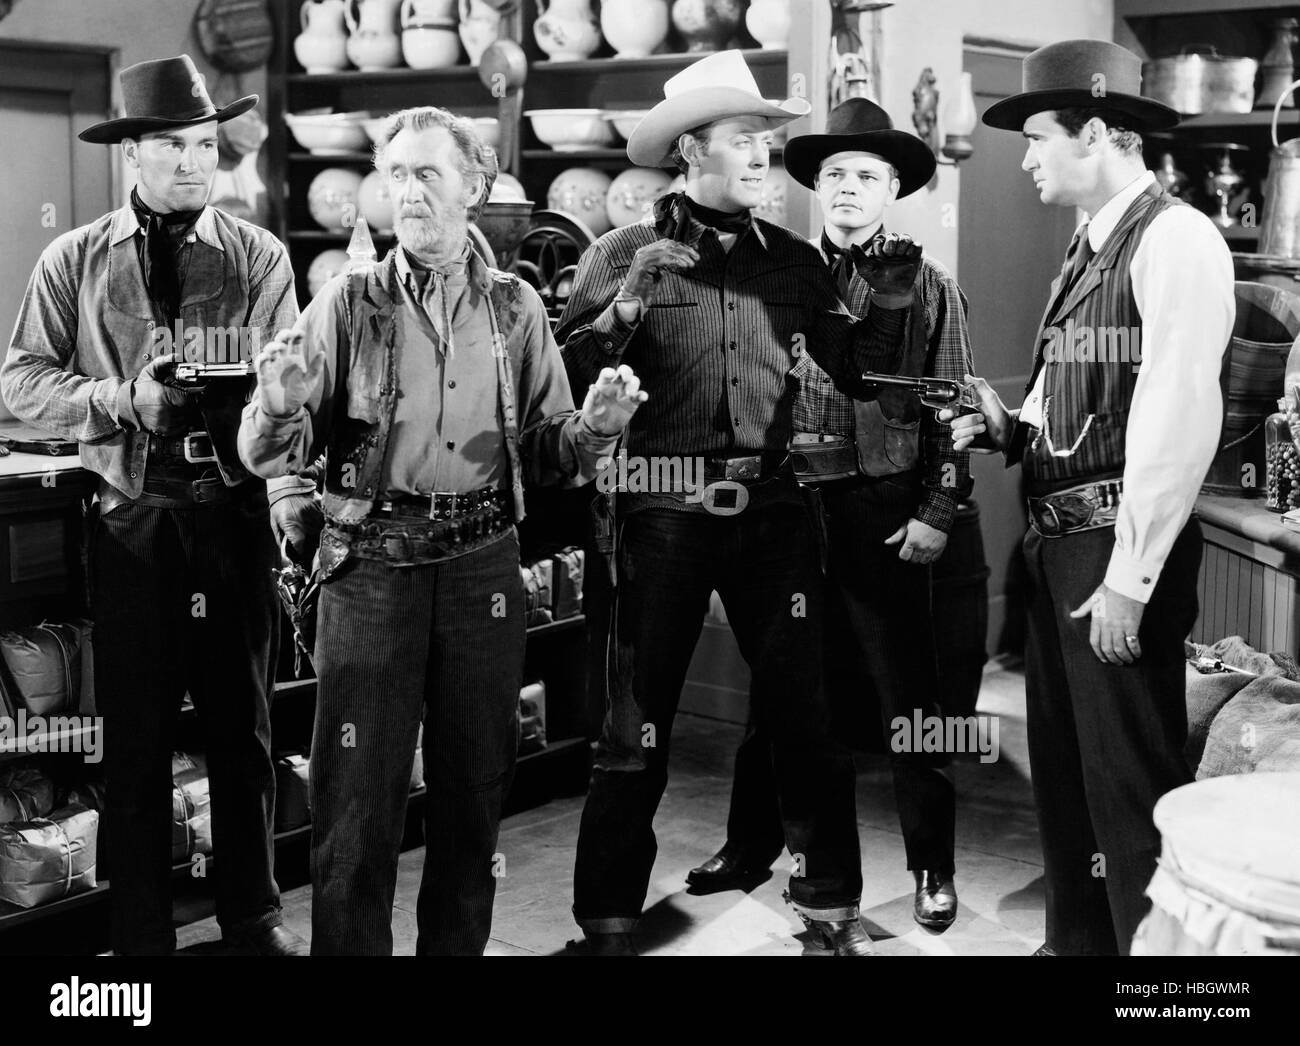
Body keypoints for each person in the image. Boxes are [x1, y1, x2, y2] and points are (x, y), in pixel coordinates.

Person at [237, 106, 646, 956]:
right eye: (397, 176)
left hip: (481, 568)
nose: (409, 192)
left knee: (472, 794)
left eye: (428, 173)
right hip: (371, 570)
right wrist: (275, 403)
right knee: (356, 803)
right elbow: (267, 451)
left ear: (477, 187)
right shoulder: (347, 302)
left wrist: (598, 427)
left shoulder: (516, 306)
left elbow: (551, 450)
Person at [558, 50, 924, 956]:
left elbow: (855, 372)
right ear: (690, 151)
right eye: (744, 140)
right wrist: (626, 312)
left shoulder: (798, 264)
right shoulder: (618, 255)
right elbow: (564, 382)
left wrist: (887, 301)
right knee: (633, 726)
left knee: (806, 721)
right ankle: (607, 920)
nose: (763, 156)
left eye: (767, 141)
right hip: (658, 519)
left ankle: (830, 900)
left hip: (772, 518)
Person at [1, 55, 306, 956]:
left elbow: (287, 383)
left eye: (205, 144)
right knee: (132, 748)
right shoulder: (75, 257)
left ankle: (253, 917)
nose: (191, 162)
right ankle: (139, 940)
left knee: (242, 733)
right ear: (129, 152)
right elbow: (20, 381)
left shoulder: (258, 255)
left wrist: (263, 414)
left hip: (233, 520)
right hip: (132, 523)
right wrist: (119, 401)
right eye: (170, 145)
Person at [946, 39, 1234, 955]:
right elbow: (1083, 397)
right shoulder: (1089, 244)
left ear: (1101, 133)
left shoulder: (1176, 237)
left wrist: (1131, 578)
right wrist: (1008, 426)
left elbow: (1178, 414)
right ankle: (1082, 947)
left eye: (1039, 137)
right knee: (1066, 775)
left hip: (1112, 550)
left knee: (1127, 783)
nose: (1027, 157)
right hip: (1060, 542)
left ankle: (1157, 981)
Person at [688, 98, 973, 932]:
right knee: (776, 691)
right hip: (783, 507)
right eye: (835, 175)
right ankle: (752, 845)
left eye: (867, 176)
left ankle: (932, 866)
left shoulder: (927, 287)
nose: (848, 188)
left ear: (893, 189)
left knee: (910, 697)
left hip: (882, 509)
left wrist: (937, 509)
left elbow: (951, 406)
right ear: (814, 187)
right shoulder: (781, 273)